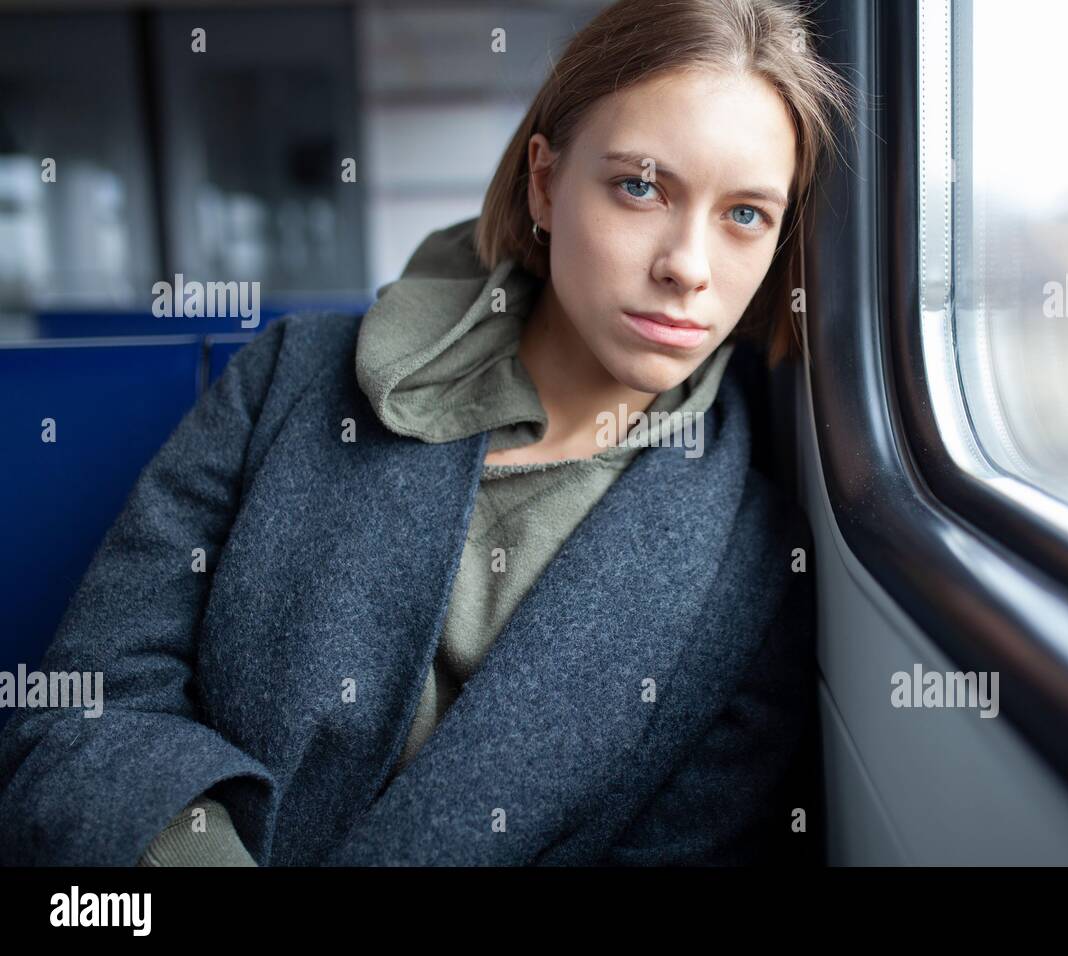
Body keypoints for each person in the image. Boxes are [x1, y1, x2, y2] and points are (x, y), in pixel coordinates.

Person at [0, 0, 854, 866]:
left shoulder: (758, 565)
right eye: (640, 185)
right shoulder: (291, 382)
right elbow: (90, 707)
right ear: (545, 183)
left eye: (746, 214)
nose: (689, 266)